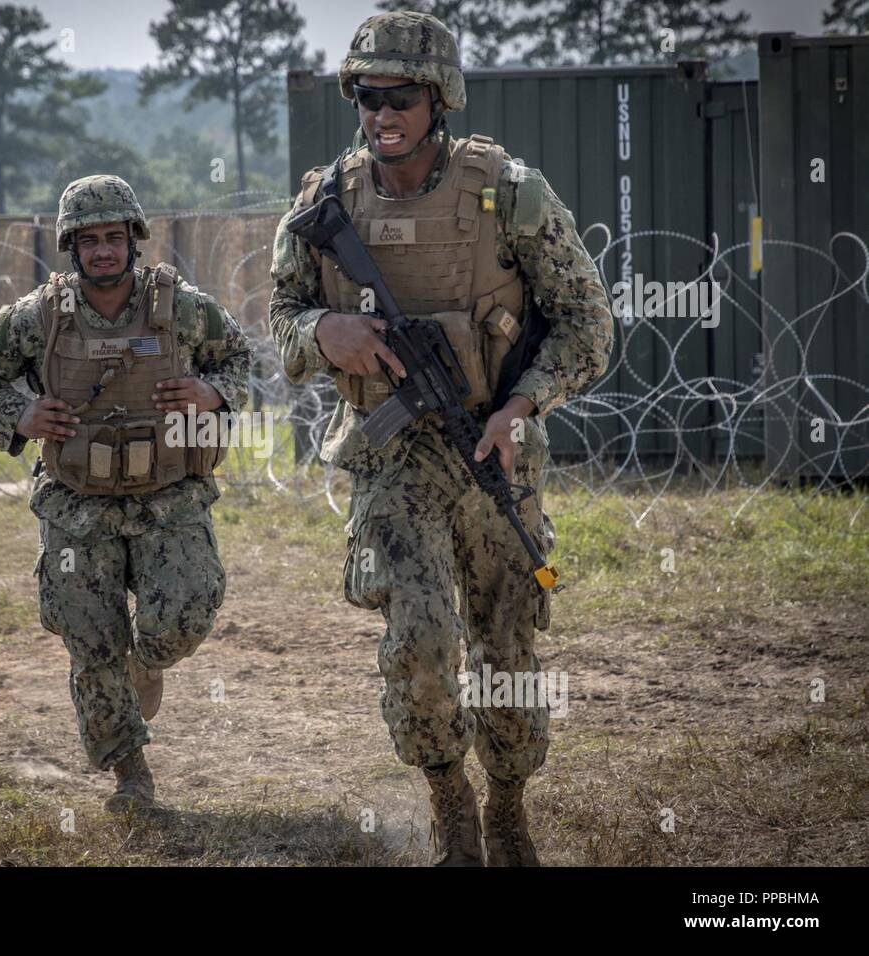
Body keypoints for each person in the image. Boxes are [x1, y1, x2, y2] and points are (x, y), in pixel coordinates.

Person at [268, 12, 614, 865]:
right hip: (393, 455)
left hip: (494, 446)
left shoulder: (507, 190)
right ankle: (448, 801)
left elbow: (588, 322)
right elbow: (278, 320)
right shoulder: (324, 204)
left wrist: (521, 406)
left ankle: (508, 807)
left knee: (507, 641)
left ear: (440, 100)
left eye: (402, 96)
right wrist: (323, 336)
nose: (382, 113)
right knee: (421, 638)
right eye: (367, 95)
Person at [0, 175, 252, 812]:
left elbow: (239, 356)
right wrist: (20, 413)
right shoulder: (41, 317)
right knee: (92, 643)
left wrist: (213, 393)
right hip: (77, 504)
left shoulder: (181, 308)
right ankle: (131, 778)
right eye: (87, 241)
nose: (102, 252)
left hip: (170, 496)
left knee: (186, 614)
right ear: (71, 247)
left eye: (113, 238)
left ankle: (147, 666)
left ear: (133, 240)